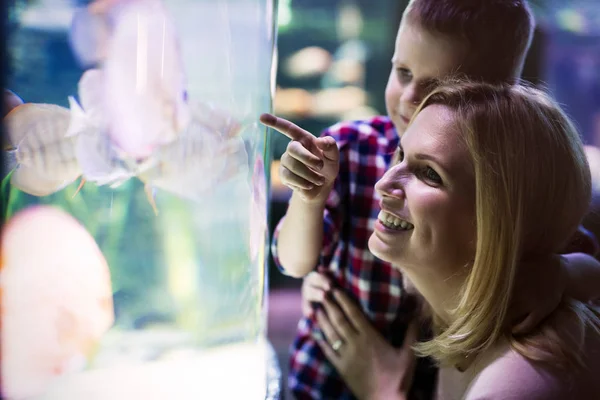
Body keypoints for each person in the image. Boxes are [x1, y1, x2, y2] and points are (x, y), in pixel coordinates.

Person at [261, 0, 600, 398]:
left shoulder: (511, 183)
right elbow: (294, 261)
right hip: (331, 375)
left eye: (441, 87)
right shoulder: (353, 148)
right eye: (402, 71)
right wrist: (308, 199)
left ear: (493, 96)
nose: (409, 98)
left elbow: (582, 259)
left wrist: (555, 274)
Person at [311, 80, 600, 399]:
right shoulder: (453, 303)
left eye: (430, 173)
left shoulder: (520, 382)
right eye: (400, 155)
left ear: (494, 224)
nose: (383, 183)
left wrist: (382, 392)